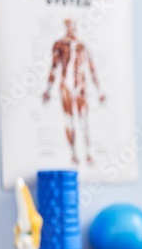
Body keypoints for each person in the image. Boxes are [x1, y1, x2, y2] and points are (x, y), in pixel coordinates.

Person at [41, 18, 105, 165]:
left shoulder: (83, 45)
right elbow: (54, 67)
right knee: (69, 121)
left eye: (72, 25)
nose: (70, 28)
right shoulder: (59, 44)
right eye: (68, 25)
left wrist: (99, 91)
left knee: (83, 120)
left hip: (80, 86)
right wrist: (48, 89)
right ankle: (73, 153)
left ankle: (88, 153)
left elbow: (91, 68)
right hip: (65, 86)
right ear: (65, 26)